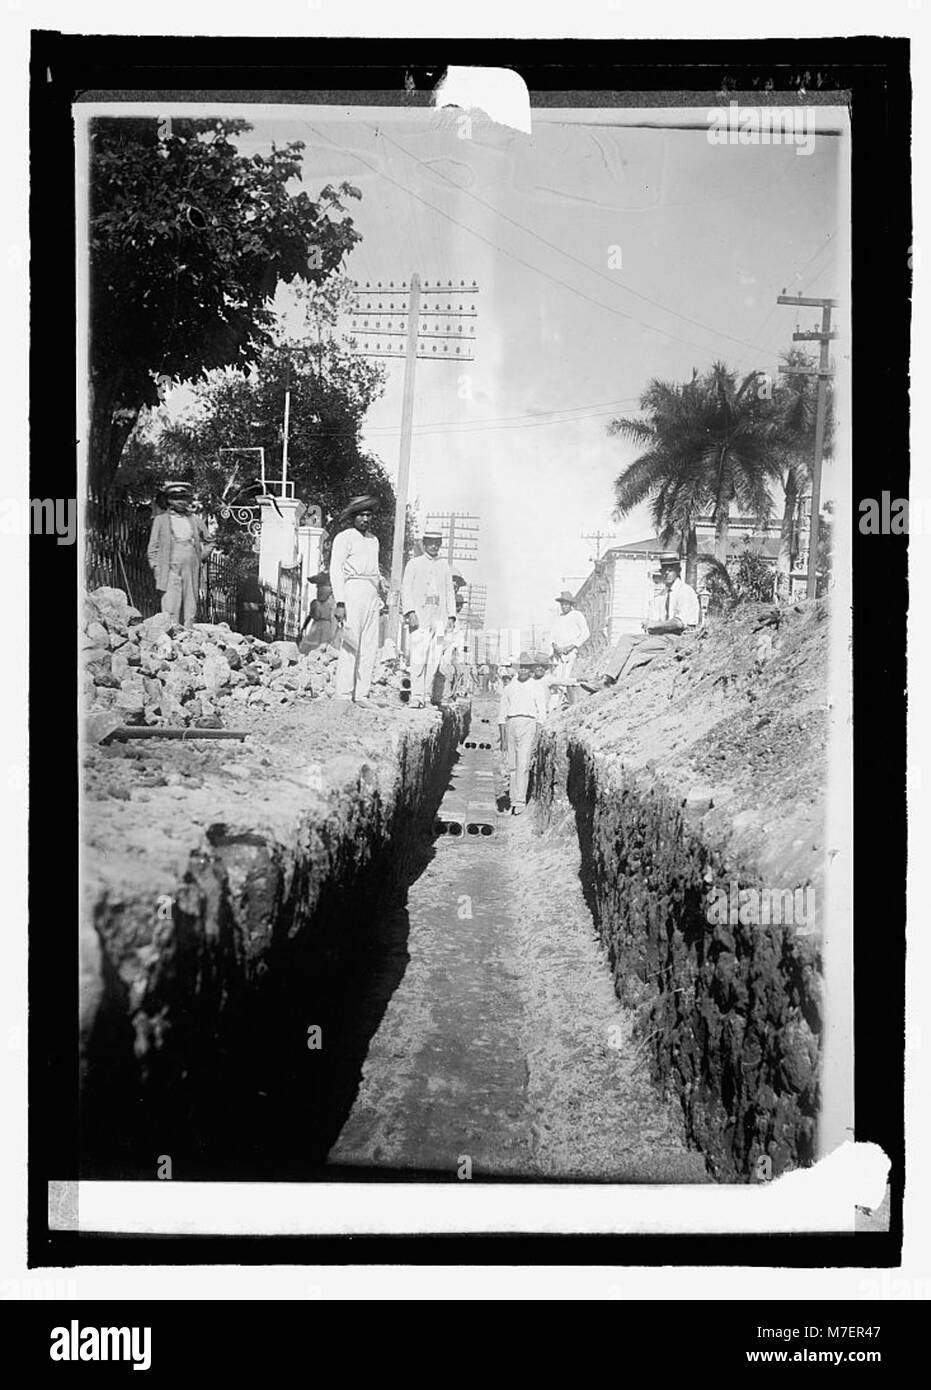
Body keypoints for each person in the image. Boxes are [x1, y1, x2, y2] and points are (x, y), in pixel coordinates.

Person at [583, 552, 700, 690]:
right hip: (662, 636)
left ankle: (617, 685)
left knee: (638, 650)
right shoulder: (661, 595)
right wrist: (650, 625)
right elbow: (655, 620)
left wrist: (656, 625)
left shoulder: (685, 592)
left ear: (678, 571)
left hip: (680, 637)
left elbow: (679, 623)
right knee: (626, 639)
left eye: (671, 569)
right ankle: (607, 678)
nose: (667, 573)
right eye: (664, 570)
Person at [328, 496, 386, 705]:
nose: (365, 519)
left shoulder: (374, 540)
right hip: (352, 590)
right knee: (351, 643)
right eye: (361, 515)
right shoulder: (345, 538)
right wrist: (340, 601)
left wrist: (380, 586)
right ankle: (344, 693)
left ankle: (362, 694)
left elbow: (374, 569)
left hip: (371, 593)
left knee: (369, 646)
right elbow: (336, 569)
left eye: (369, 515)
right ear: (353, 517)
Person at [401, 527, 457, 707]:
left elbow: (449, 592)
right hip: (420, 615)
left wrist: (451, 616)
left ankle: (426, 694)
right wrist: (410, 611)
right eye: (430, 543)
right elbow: (406, 589)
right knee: (418, 656)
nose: (433, 546)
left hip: (439, 619)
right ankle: (416, 696)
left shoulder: (444, 566)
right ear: (424, 544)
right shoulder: (414, 564)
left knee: (434, 657)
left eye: (436, 543)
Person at [146, 480, 214, 628]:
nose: (181, 502)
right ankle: (171, 632)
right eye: (176, 498)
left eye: (184, 498)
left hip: (190, 565)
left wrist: (200, 557)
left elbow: (210, 542)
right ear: (169, 500)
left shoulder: (195, 520)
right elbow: (152, 548)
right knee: (171, 600)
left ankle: (188, 632)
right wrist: (156, 567)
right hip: (169, 565)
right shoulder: (161, 520)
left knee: (190, 600)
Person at [499, 651, 548, 815]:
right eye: (522, 668)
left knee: (523, 765)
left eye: (527, 668)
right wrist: (503, 738)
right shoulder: (509, 688)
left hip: (529, 724)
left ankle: (520, 801)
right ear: (517, 668)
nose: (524, 671)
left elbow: (542, 712)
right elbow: (502, 715)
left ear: (531, 669)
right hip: (511, 723)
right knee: (512, 766)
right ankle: (513, 800)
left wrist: (537, 733)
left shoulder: (536, 686)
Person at [550, 590, 590, 701]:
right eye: (562, 604)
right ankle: (556, 702)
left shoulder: (577, 615)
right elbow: (552, 634)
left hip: (570, 651)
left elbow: (585, 633)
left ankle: (566, 699)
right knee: (557, 678)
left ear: (571, 605)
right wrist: (555, 646)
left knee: (566, 676)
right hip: (558, 652)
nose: (564, 606)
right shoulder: (558, 617)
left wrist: (572, 646)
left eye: (566, 604)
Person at [298, 572, 341, 654]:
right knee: (312, 650)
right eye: (318, 588)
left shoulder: (332, 602)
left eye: (321, 587)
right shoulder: (315, 603)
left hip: (327, 628)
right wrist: (303, 627)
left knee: (324, 648)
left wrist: (333, 634)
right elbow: (310, 616)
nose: (319, 591)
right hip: (316, 627)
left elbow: (334, 619)